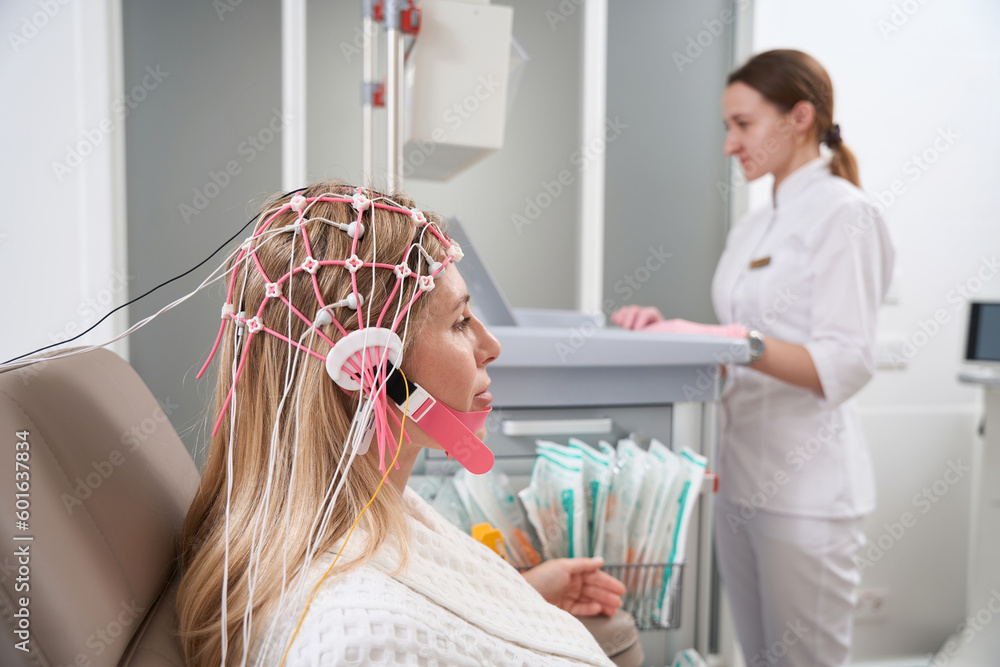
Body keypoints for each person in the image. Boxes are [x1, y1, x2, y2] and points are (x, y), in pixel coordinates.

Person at [176, 182, 624, 666]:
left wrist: (518, 603)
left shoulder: (367, 508)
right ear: (368, 369)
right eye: (460, 322)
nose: (491, 345)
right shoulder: (357, 638)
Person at [613, 50, 894, 665]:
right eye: (727, 127)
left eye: (743, 125)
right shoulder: (754, 226)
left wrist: (726, 339)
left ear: (799, 116)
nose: (728, 145)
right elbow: (754, 340)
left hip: (808, 491)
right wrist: (672, 334)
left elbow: (843, 364)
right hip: (740, 481)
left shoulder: (848, 215)